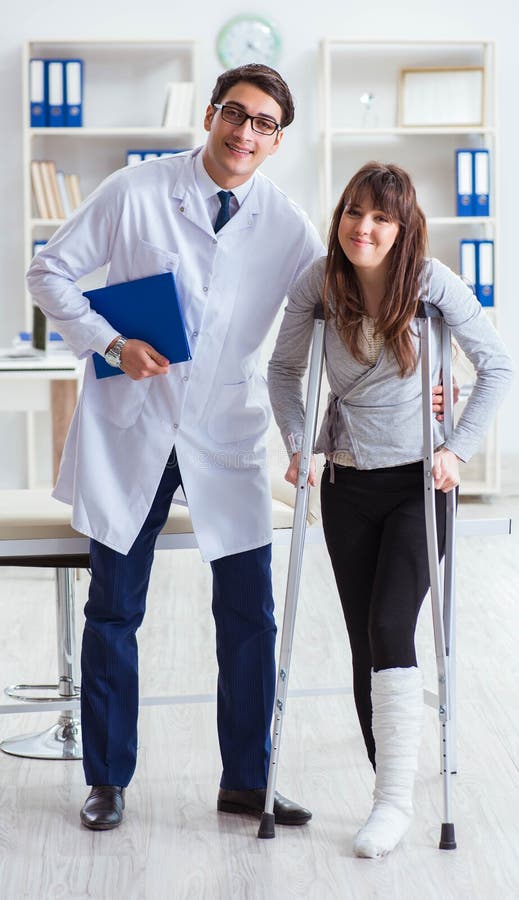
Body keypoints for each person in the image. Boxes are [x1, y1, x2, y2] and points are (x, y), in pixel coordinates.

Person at [27, 64, 326, 831]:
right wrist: (110, 341)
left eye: (263, 123)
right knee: (115, 610)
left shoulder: (289, 226)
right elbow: (48, 269)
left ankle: (247, 780)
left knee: (248, 615)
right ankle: (107, 780)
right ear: (210, 114)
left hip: (225, 433)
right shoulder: (137, 191)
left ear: (277, 139)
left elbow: (329, 326)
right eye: (236, 114)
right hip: (133, 423)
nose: (245, 132)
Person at [267, 161, 513, 858]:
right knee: (362, 640)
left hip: (419, 484)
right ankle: (389, 780)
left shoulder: (431, 283)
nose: (363, 228)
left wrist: (457, 449)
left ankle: (393, 802)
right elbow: (283, 371)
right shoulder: (317, 282)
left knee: (387, 625)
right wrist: (297, 442)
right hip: (347, 482)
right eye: (354, 213)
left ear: (401, 229)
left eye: (380, 218)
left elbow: (496, 365)